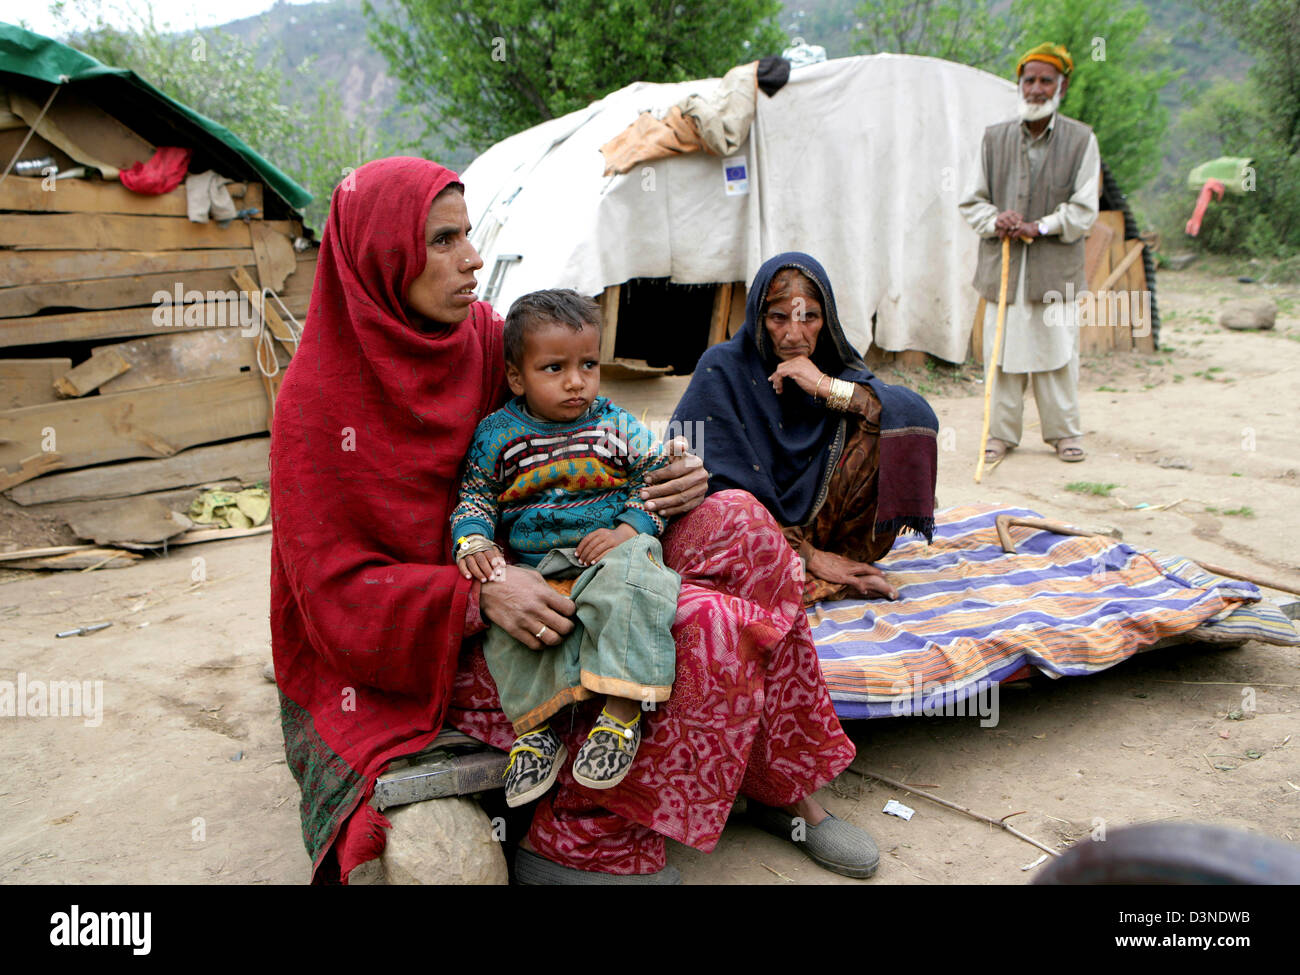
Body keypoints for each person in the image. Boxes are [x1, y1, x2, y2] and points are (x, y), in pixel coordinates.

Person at [270, 158, 879, 885]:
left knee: (746, 524)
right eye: (441, 241)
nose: (473, 258)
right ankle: (579, 837)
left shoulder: (485, 340)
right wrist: (477, 591)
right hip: (463, 631)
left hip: (575, 560)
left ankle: (777, 781)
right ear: (379, 253)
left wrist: (660, 486)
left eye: (468, 234)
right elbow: (333, 596)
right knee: (707, 624)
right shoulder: (318, 404)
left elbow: (580, 417)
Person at [451, 289, 680, 805]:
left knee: (637, 582)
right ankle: (536, 733)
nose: (576, 381)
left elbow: (655, 480)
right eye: (554, 368)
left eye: (588, 364)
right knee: (511, 626)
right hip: (535, 563)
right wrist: (473, 542)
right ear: (517, 377)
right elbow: (475, 497)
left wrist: (628, 529)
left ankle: (620, 715)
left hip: (609, 552)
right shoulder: (497, 436)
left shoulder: (614, 424)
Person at [671, 252, 938, 607]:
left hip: (828, 531)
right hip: (753, 536)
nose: (793, 334)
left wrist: (826, 386)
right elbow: (690, 480)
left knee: (882, 420)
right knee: (718, 510)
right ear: (758, 317)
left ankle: (826, 568)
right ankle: (807, 571)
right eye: (779, 318)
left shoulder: (831, 367)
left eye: (809, 317)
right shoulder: (722, 369)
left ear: (826, 320)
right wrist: (809, 555)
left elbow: (916, 417)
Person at [958, 42, 1101, 464]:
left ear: (1062, 87)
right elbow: (971, 201)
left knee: (1058, 353)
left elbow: (1084, 209)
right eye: (1029, 80)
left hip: (1054, 269)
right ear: (1020, 85)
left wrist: (1041, 226)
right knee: (1001, 354)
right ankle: (1000, 436)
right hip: (1002, 267)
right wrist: (996, 219)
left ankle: (1064, 434)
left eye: (1045, 81)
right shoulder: (994, 137)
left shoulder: (1081, 140)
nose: (1036, 89)